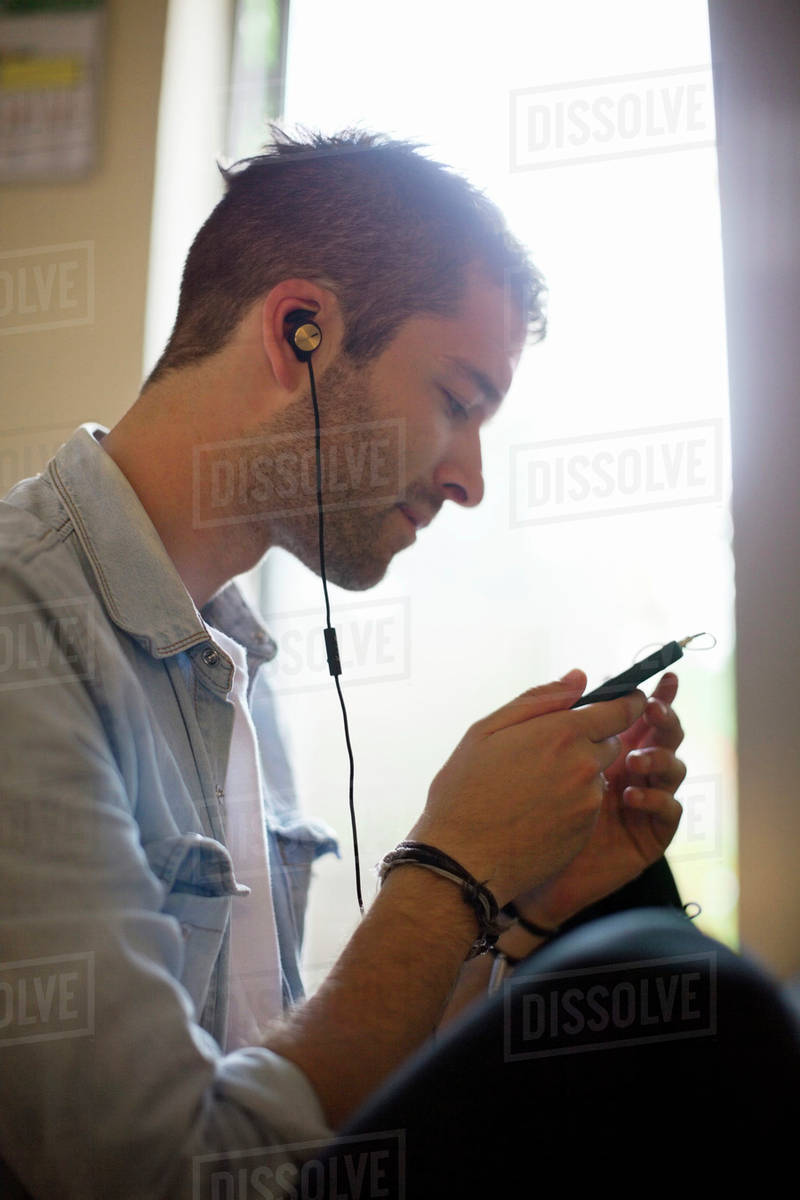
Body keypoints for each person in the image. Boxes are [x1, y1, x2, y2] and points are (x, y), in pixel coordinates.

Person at [0, 128, 771, 1200]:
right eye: (456, 400)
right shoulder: (21, 631)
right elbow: (156, 1174)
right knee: (682, 985)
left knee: (625, 945)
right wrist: (446, 869)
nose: (469, 481)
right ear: (299, 332)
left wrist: (525, 909)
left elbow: (296, 1113)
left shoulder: (232, 669)